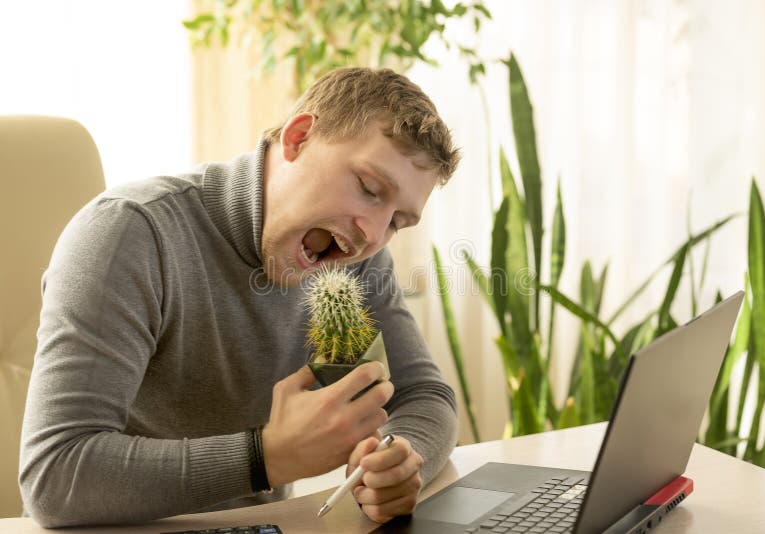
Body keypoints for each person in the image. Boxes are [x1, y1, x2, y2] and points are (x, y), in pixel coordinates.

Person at [19, 67, 461, 527]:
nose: (372, 234)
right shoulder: (128, 234)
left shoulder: (354, 258)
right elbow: (55, 476)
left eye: (396, 222)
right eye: (369, 189)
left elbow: (425, 396)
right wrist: (266, 456)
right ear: (298, 138)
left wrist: (400, 462)